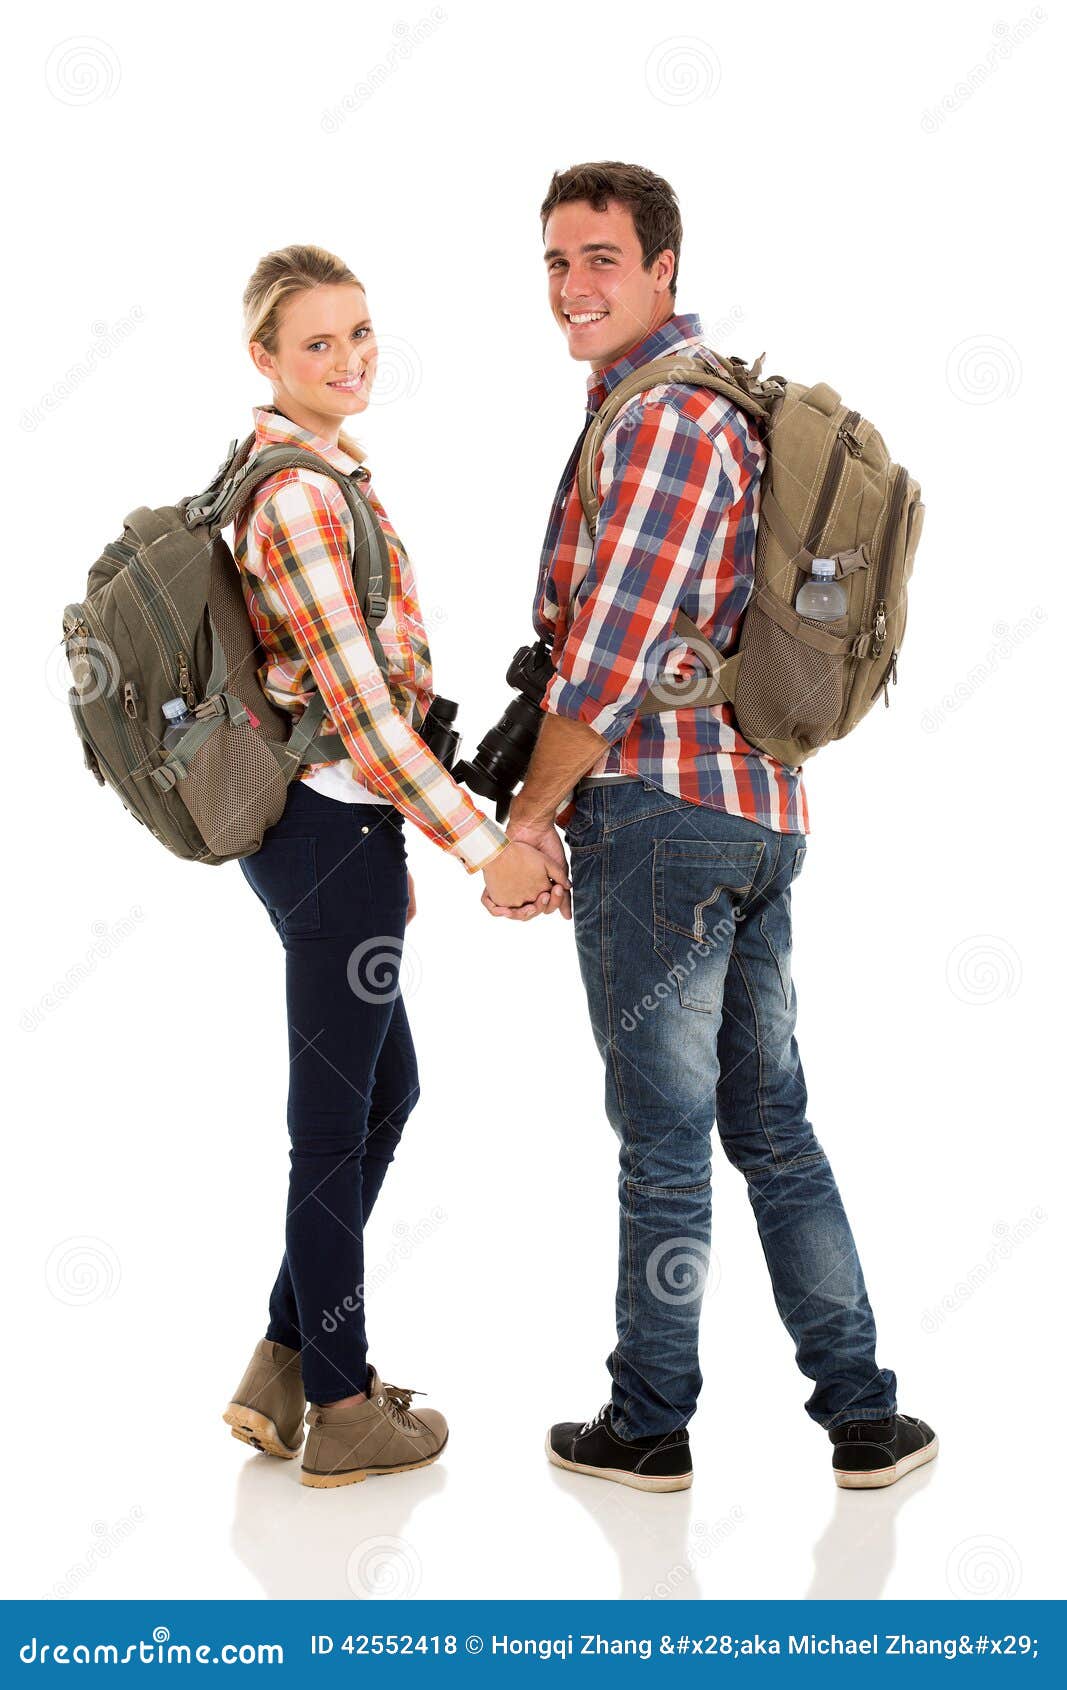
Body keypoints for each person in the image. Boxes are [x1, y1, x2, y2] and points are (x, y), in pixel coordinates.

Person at [484, 164, 937, 1494]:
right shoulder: (709, 406)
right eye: (556, 261)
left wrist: (530, 816)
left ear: (664, 267)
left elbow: (612, 649)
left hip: (666, 818)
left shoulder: (671, 419)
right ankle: (864, 1419)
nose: (574, 285)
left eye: (601, 258)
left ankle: (647, 1421)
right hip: (757, 810)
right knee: (767, 1121)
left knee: (663, 1133)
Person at [222, 244, 567, 1489]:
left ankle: (279, 1362)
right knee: (333, 1129)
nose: (350, 358)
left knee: (378, 1096)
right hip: (329, 835)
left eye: (360, 332)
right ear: (264, 359)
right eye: (318, 343)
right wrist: (484, 848)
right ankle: (342, 1405)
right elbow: (364, 718)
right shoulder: (303, 497)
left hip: (326, 836)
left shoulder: (312, 474)